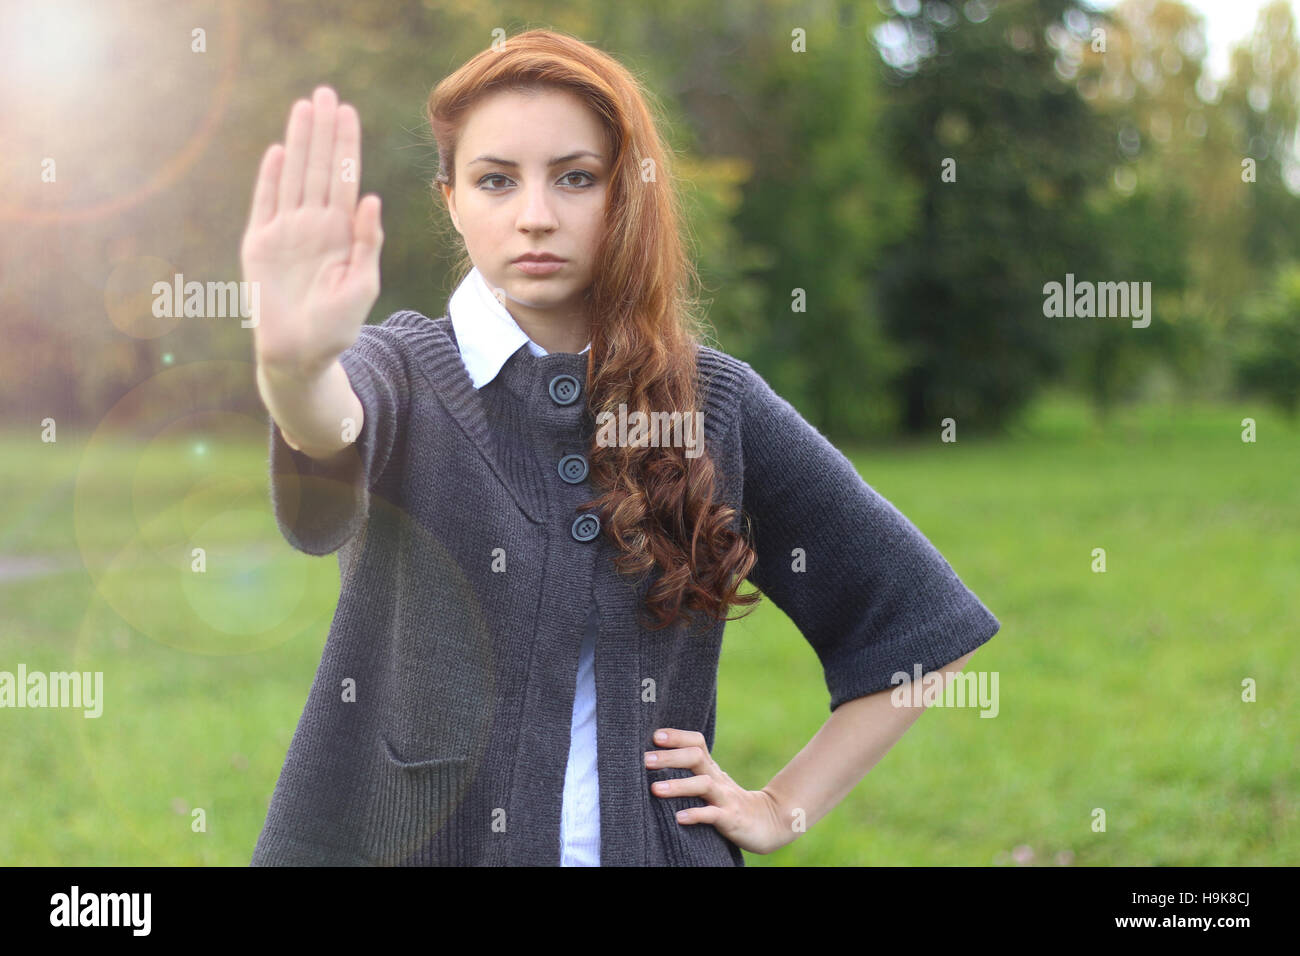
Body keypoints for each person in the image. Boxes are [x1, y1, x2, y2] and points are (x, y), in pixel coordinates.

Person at [242, 28, 1000, 867]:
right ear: (451, 198)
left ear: (625, 192)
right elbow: (330, 422)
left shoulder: (715, 403)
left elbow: (918, 624)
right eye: (496, 180)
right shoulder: (402, 371)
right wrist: (293, 365)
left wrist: (782, 807)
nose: (535, 215)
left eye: (576, 177)